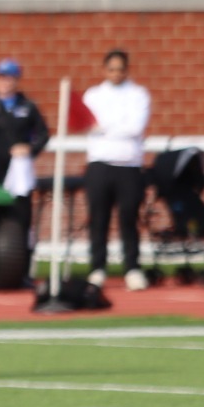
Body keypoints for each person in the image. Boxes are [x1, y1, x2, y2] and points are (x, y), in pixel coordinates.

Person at [81, 48, 150, 292]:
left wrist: (105, 127)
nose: (116, 74)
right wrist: (112, 127)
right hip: (100, 164)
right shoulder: (93, 95)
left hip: (129, 165)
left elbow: (135, 127)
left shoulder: (138, 95)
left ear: (127, 70)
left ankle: (132, 268)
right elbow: (87, 125)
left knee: (128, 219)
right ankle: (97, 269)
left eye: (120, 69)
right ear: (104, 70)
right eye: (111, 69)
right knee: (98, 219)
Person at [0, 58, 48, 245]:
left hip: (18, 174)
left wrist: (30, 149)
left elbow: (43, 135)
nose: (5, 82)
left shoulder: (27, 107)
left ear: (16, 80)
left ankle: (23, 267)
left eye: (9, 78)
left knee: (21, 219)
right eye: (1, 77)